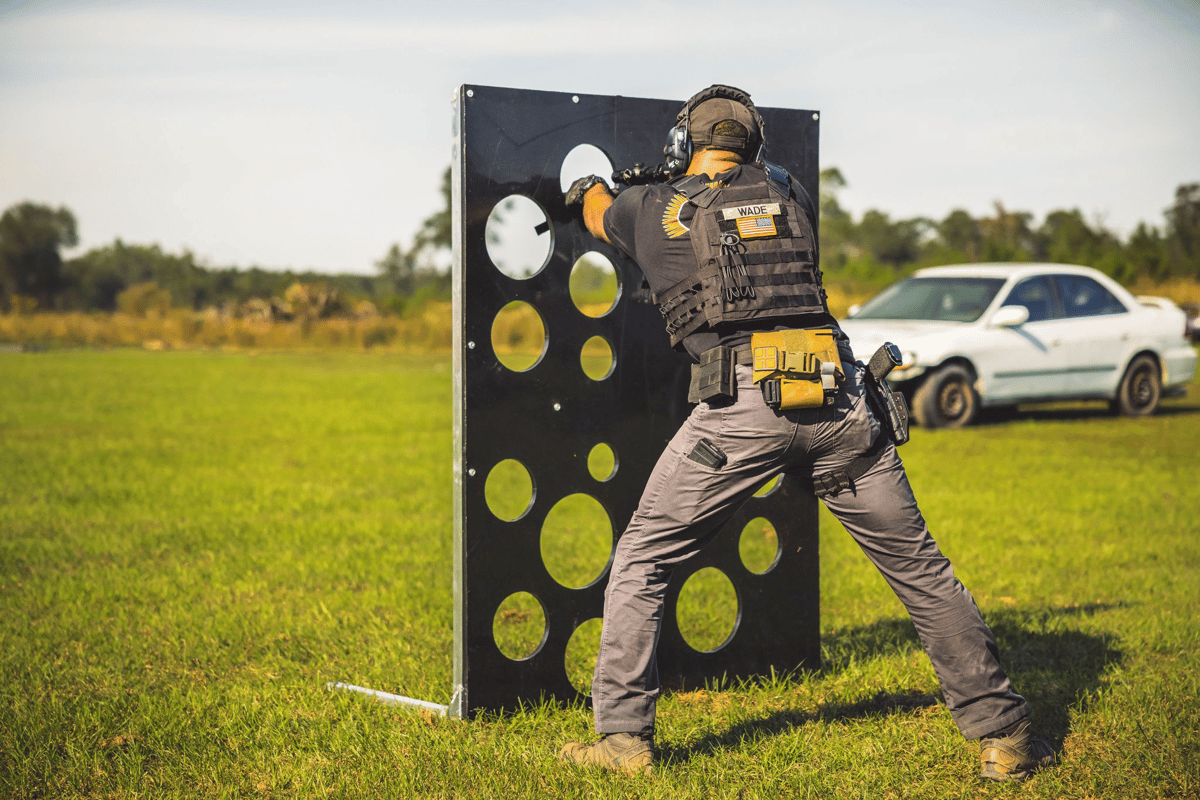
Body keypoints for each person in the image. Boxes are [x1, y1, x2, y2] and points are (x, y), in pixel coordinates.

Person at [559, 85, 1054, 782]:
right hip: (840, 397)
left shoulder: (648, 208)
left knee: (642, 560)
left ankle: (622, 742)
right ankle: (1003, 735)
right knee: (920, 572)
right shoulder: (790, 196)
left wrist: (590, 186)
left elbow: (595, 210)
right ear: (753, 146)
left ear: (682, 146)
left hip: (741, 408)